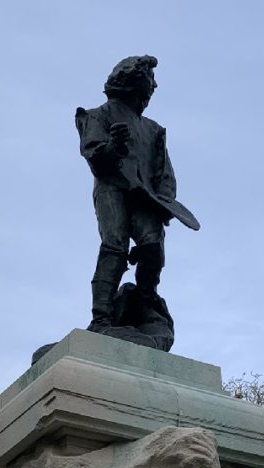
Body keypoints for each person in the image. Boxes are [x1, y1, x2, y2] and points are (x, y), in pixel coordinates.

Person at [75, 55, 198, 338]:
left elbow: (164, 173)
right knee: (114, 246)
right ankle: (101, 318)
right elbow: (95, 157)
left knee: (153, 246)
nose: (152, 89)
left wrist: (165, 203)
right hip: (112, 189)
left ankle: (145, 299)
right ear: (134, 85)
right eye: (150, 84)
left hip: (146, 198)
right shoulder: (97, 115)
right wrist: (113, 148)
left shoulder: (153, 129)